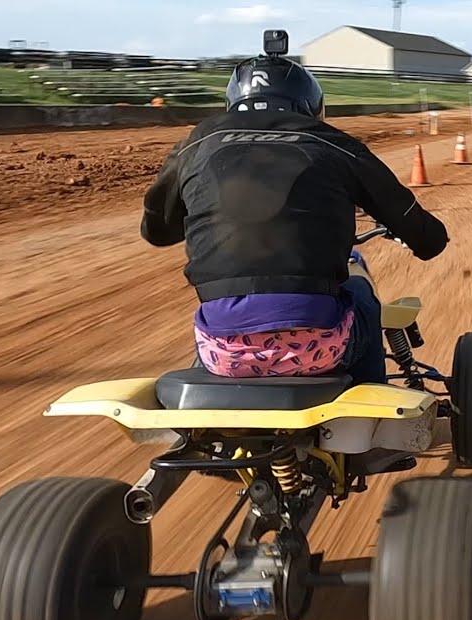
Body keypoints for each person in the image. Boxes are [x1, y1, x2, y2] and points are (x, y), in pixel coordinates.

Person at [140, 46, 449, 385]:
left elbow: (157, 231)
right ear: (310, 104)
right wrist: (425, 235)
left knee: (220, 314)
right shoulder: (334, 143)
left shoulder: (197, 142)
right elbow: (426, 238)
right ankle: (372, 407)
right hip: (320, 348)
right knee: (362, 294)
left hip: (221, 352)